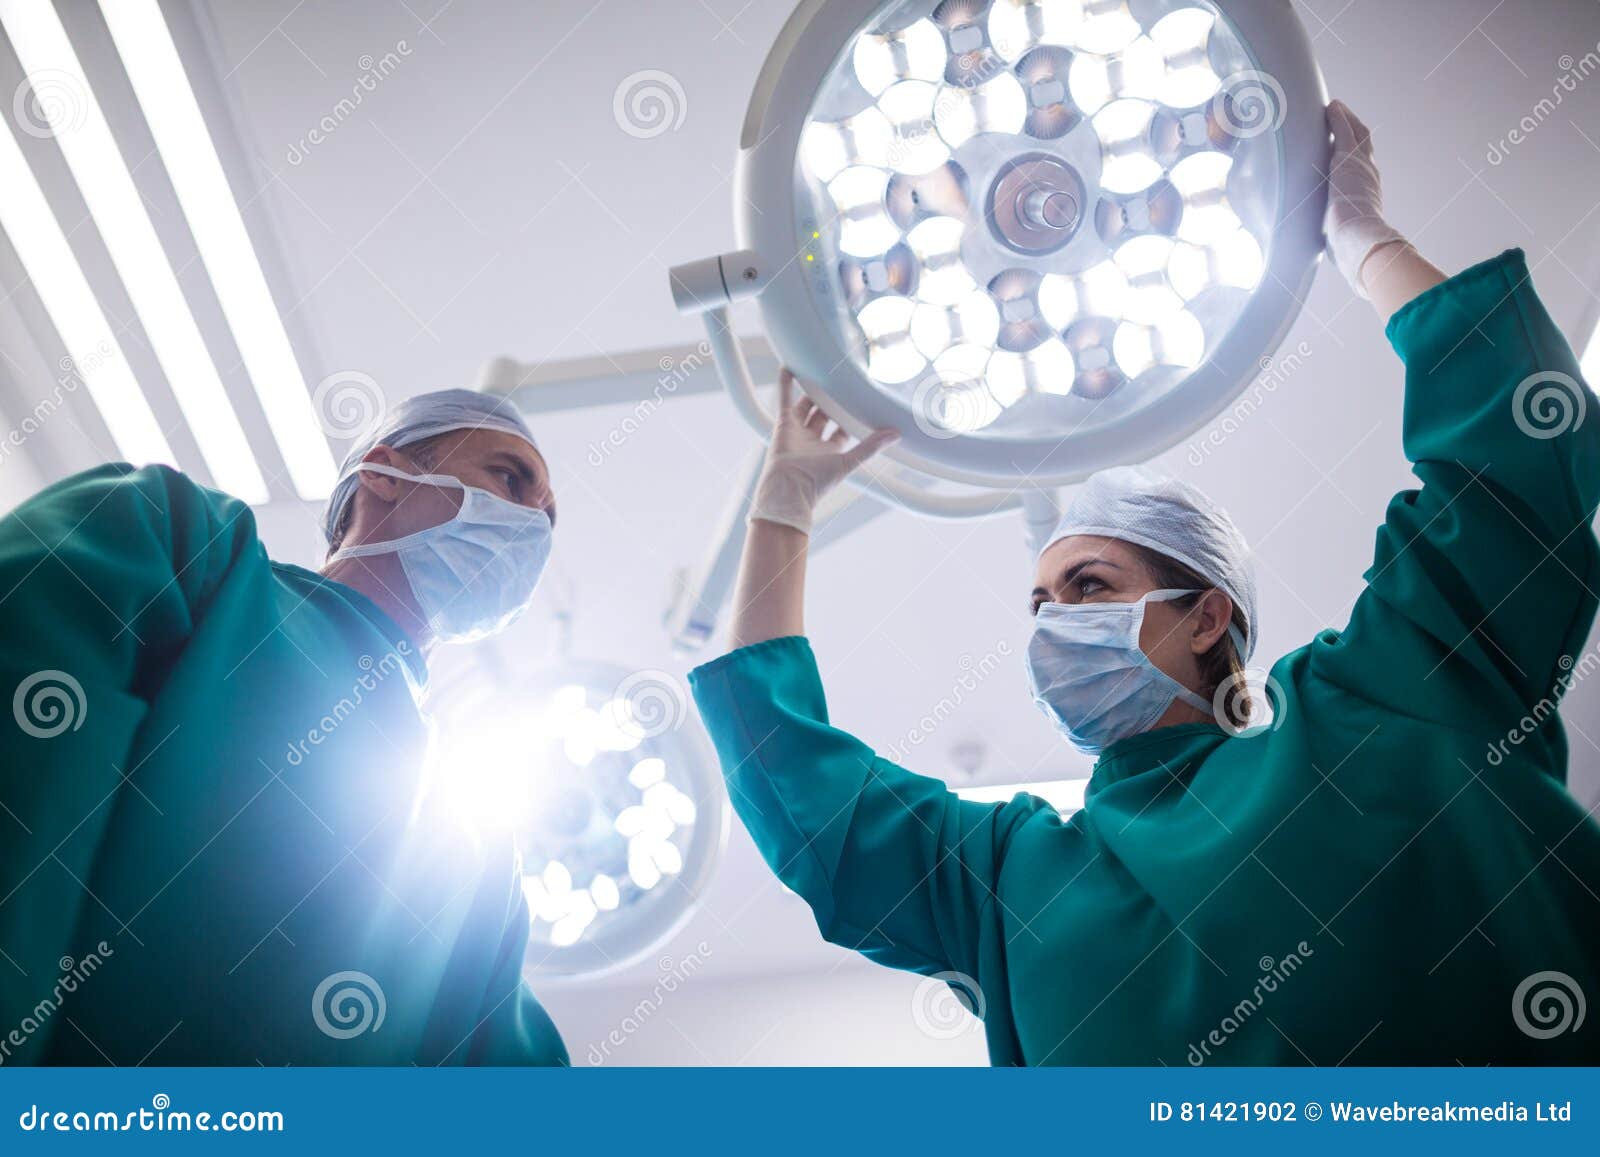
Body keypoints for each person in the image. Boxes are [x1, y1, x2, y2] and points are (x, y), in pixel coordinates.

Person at [688, 102, 1600, 1064]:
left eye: (1086, 584)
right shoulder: (1007, 884)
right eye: (1040, 605)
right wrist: (783, 504)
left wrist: (1359, 237)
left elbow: (1516, 443)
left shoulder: (1376, 700)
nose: (1051, 627)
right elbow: (790, 774)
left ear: (1209, 614)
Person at [0, 389, 568, 1065]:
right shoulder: (180, 545)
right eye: (510, 478)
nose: (533, 523)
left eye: (549, 518)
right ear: (384, 472)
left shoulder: (480, 866)